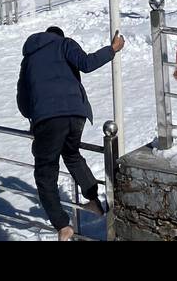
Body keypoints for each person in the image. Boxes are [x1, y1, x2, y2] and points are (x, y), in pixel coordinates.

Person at [16, 24, 125, 240]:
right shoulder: (65, 44)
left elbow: (23, 97)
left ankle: (62, 225)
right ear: (59, 36)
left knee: (45, 172)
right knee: (72, 154)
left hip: (47, 118)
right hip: (76, 114)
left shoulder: (29, 57)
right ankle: (94, 200)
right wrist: (112, 49)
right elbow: (86, 63)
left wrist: (34, 115)